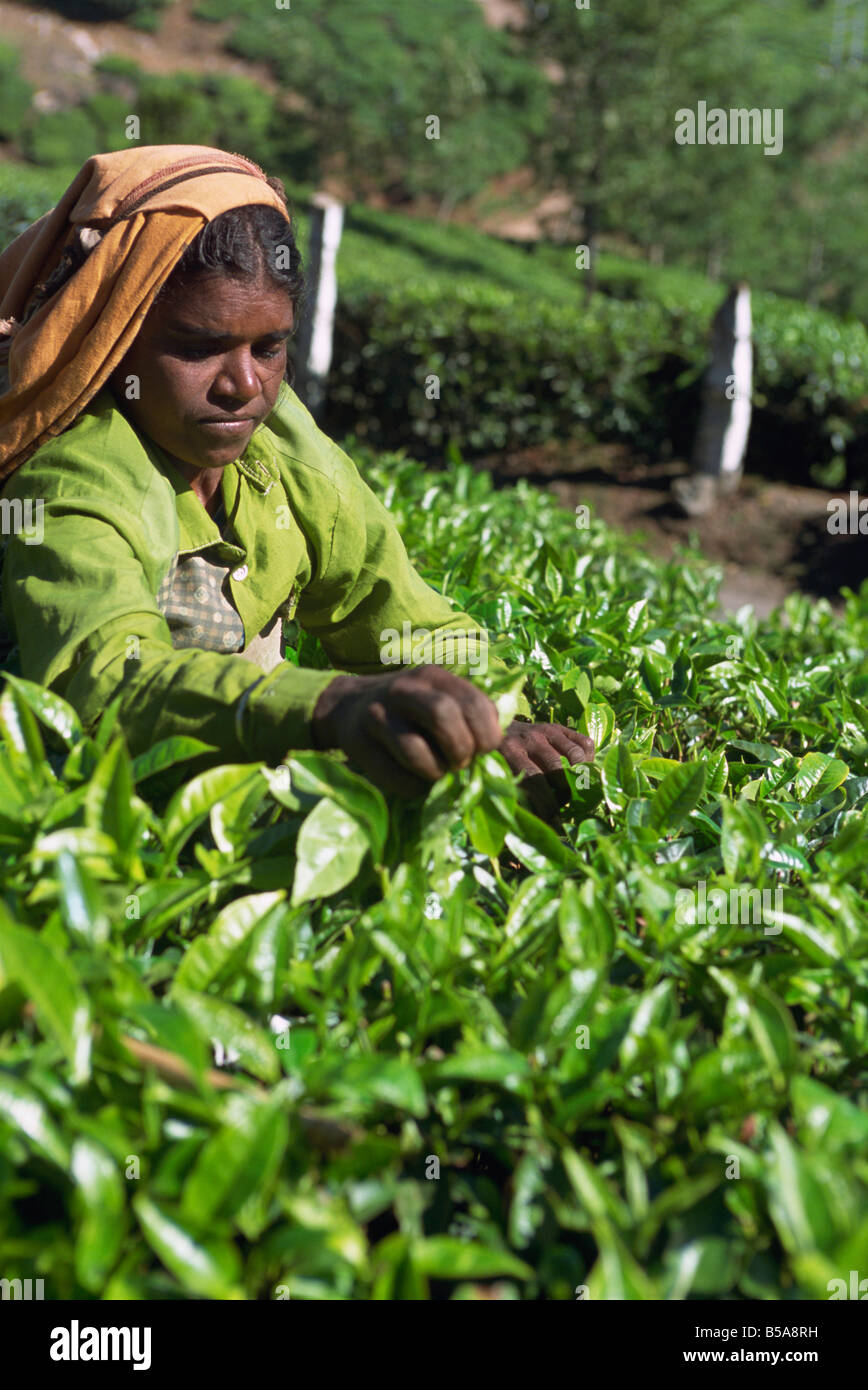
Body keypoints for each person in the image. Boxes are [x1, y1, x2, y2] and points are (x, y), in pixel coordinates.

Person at [0, 145, 592, 820]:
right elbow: (104, 679)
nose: (244, 387)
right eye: (197, 347)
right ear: (116, 335)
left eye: (268, 347)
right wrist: (330, 704)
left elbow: (404, 617)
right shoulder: (77, 479)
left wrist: (490, 715)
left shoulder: (285, 449)